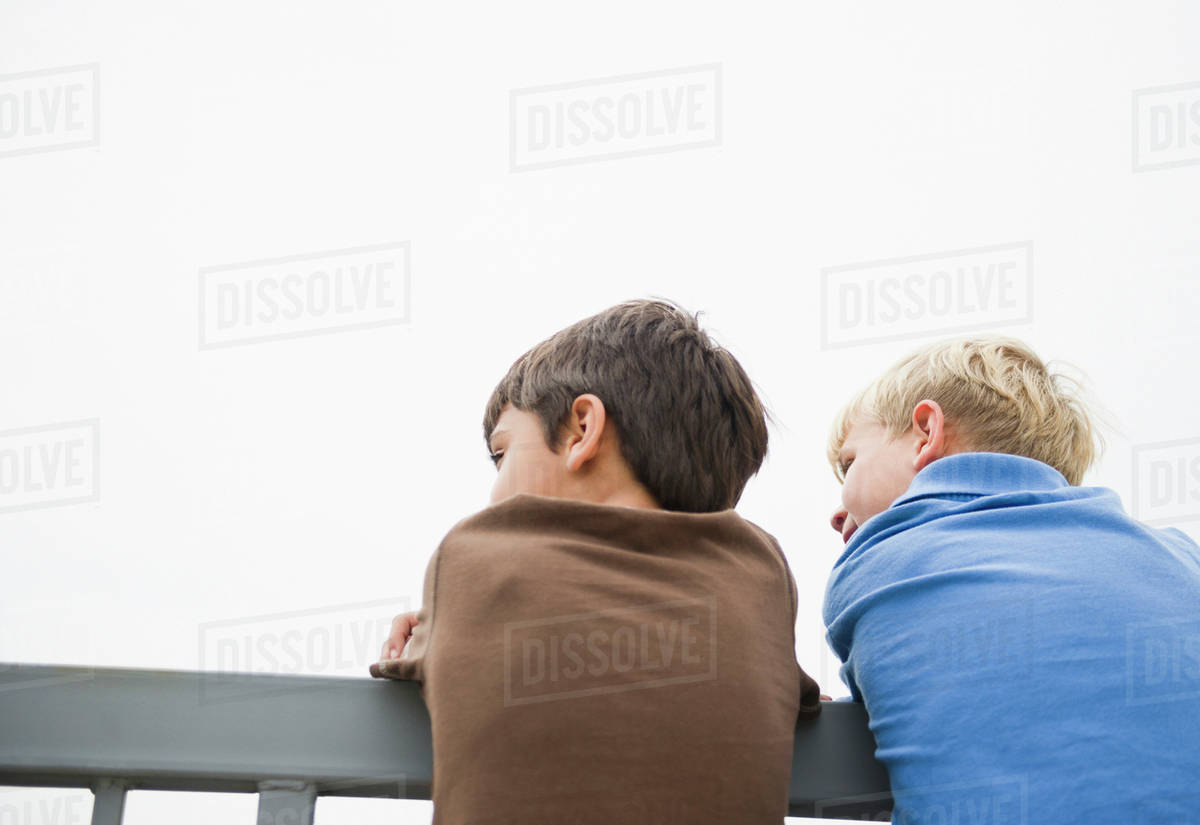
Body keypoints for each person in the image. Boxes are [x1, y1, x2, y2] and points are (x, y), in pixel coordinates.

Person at [371, 299, 821, 825]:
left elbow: (415, 662)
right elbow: (799, 696)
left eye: (503, 454)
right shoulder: (762, 572)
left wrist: (427, 633)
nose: (494, 492)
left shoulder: (478, 551)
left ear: (582, 429)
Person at [824, 335, 1200, 824]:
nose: (837, 514)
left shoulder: (879, 556)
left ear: (925, 432)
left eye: (849, 464)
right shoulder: (1183, 559)